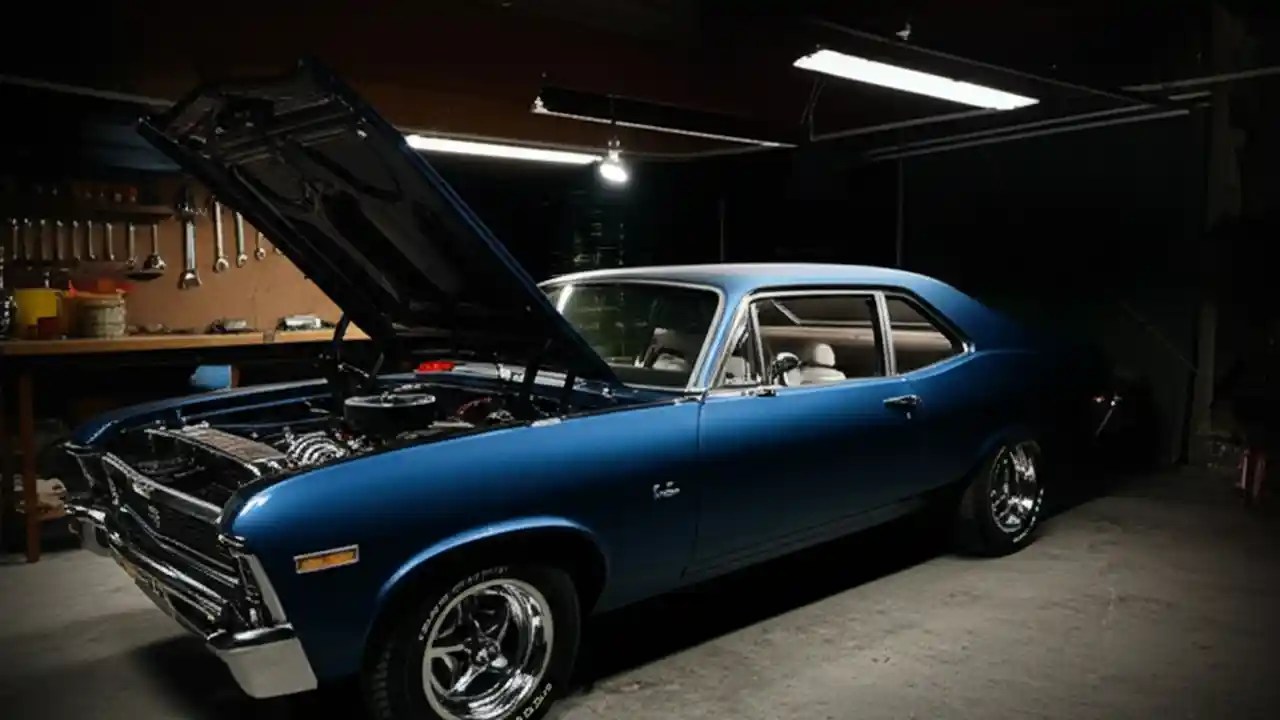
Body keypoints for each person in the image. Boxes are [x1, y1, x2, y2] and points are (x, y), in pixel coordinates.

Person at [1222, 315, 1280, 508]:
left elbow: (1234, 375)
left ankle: (1251, 487)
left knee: (1256, 447)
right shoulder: (1261, 355)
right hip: (1259, 406)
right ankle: (1253, 488)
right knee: (1258, 447)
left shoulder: (1253, 353)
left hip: (1255, 406)